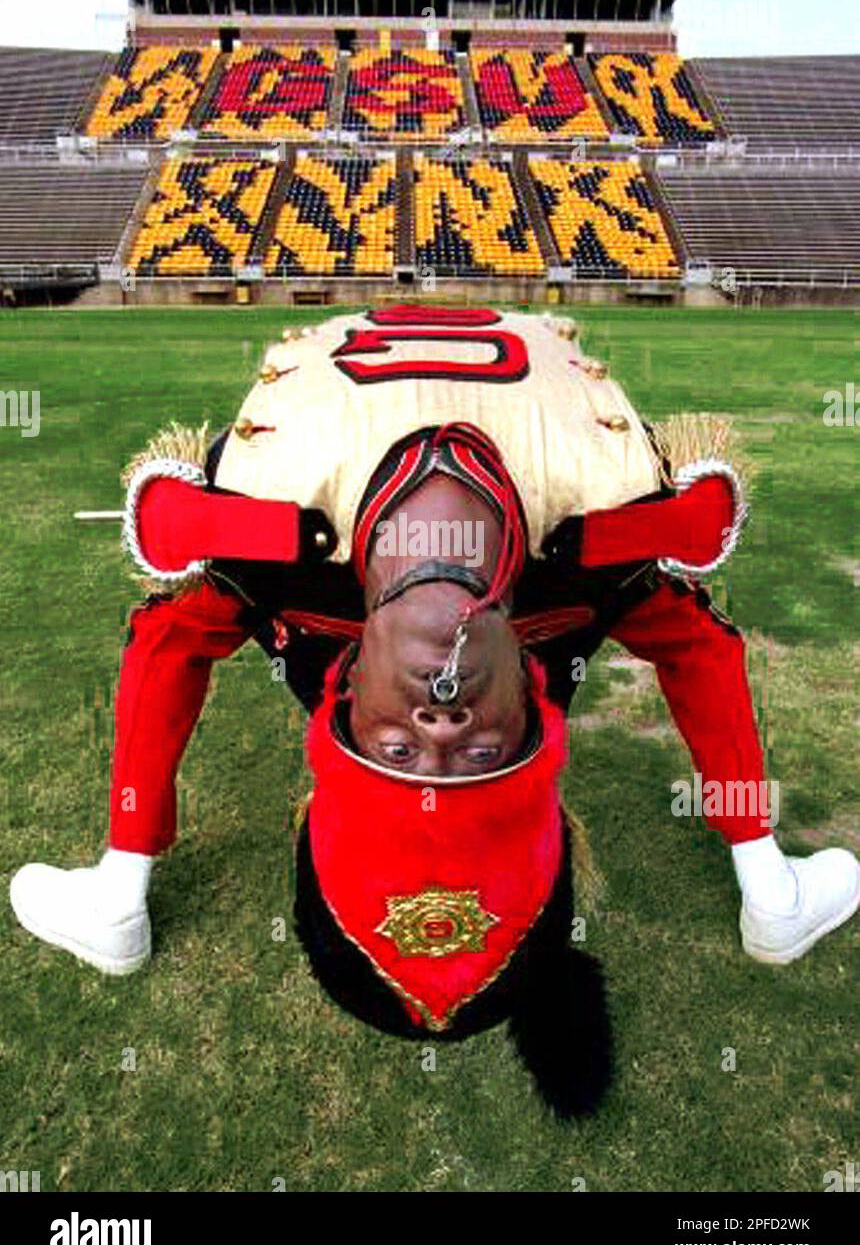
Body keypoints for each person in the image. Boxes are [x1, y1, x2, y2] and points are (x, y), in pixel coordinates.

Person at [10, 305, 859, 1117]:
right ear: (534, 708)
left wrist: (128, 862)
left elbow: (167, 642)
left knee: (177, 625)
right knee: (690, 634)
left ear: (337, 703)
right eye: (487, 755)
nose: (440, 722)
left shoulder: (269, 544)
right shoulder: (601, 536)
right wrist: (760, 860)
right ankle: (772, 892)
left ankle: (118, 897)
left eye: (396, 752)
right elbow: (702, 648)